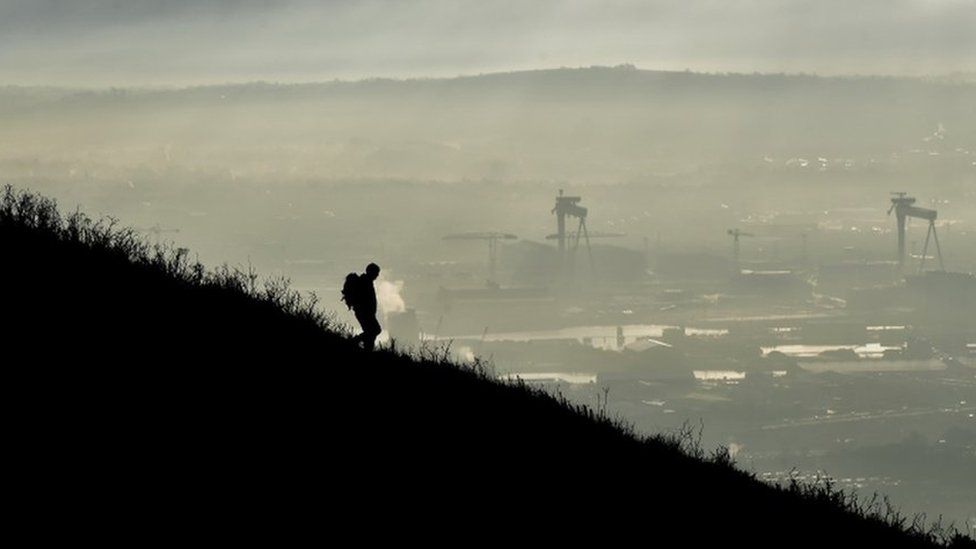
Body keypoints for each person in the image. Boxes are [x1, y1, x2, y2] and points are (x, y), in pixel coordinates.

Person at [343, 262, 382, 351]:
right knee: (375, 330)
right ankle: (354, 341)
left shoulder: (366, 281)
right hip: (364, 313)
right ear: (371, 272)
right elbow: (364, 299)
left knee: (370, 334)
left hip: (366, 313)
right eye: (376, 273)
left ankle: (367, 351)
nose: (377, 275)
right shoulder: (365, 282)